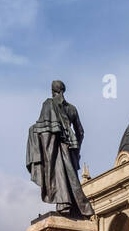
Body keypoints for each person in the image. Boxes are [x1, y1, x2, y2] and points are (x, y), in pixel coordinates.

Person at [26, 80, 93, 217]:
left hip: (55, 146)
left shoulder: (48, 103)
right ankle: (72, 206)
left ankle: (66, 204)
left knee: (61, 174)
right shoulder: (72, 109)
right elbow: (80, 132)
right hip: (70, 146)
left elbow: (42, 128)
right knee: (70, 177)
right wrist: (77, 148)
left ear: (53, 91)